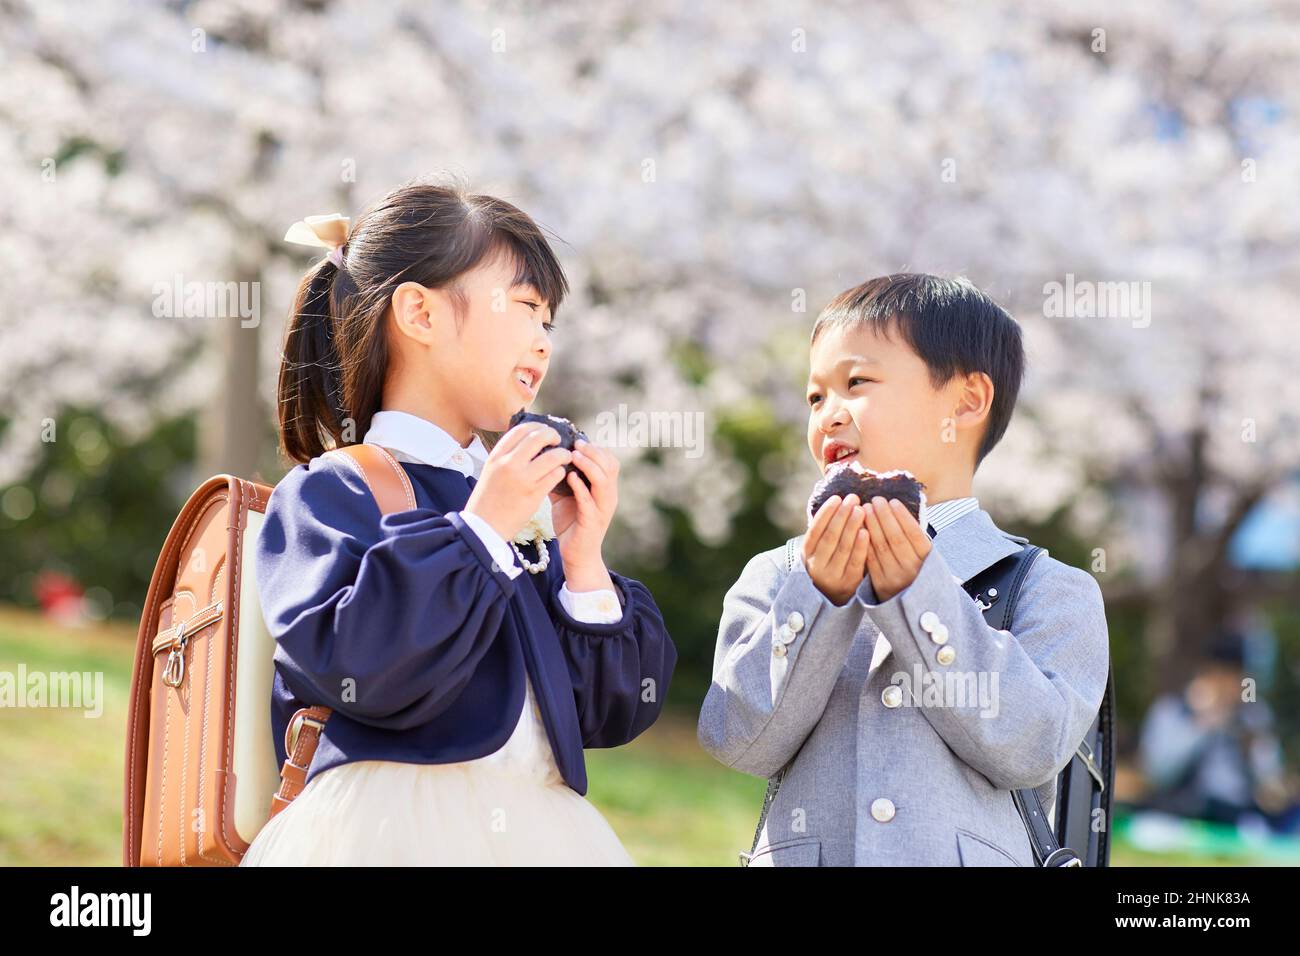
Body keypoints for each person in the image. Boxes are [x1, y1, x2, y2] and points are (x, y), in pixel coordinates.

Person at [239, 178, 677, 866]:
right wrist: (480, 532)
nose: (543, 341)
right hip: (383, 832)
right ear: (420, 313)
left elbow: (608, 714)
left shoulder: (517, 504)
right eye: (526, 308)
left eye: (548, 321)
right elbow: (364, 667)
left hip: (544, 834)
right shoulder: (338, 488)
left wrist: (584, 560)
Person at [698, 273, 1110, 866]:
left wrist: (920, 595)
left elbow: (1031, 747)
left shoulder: (1051, 589)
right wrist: (817, 598)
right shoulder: (780, 573)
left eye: (856, 382)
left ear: (967, 401)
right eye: (815, 397)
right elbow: (738, 740)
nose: (829, 416)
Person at [1138, 633, 1298, 835]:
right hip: (1178, 818)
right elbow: (1158, 774)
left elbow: (1272, 789)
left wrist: (1251, 747)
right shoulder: (1172, 710)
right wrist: (1202, 724)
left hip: (1237, 821)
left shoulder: (1254, 716)